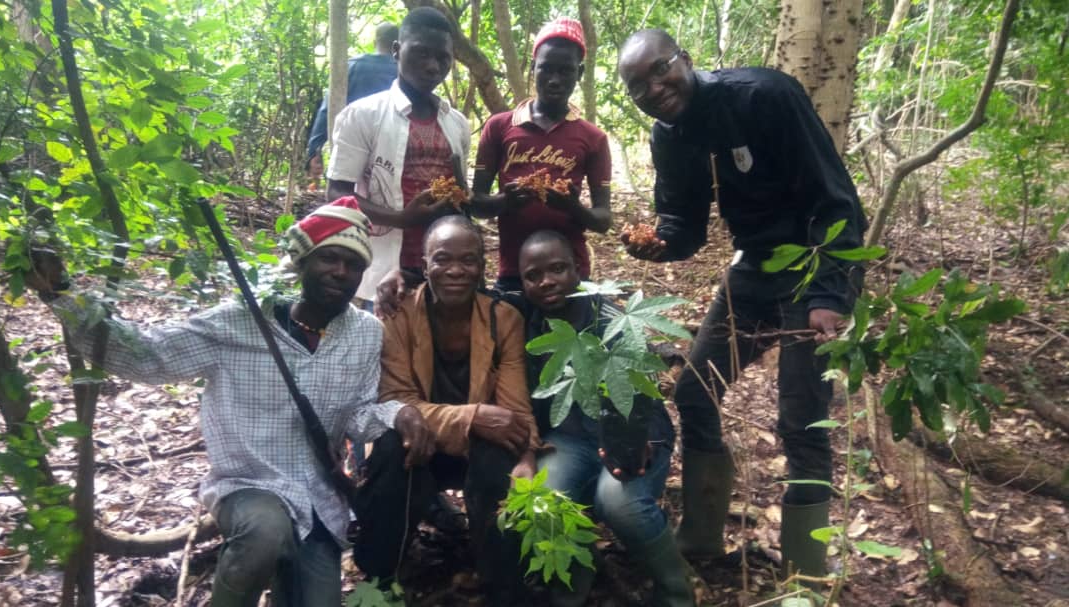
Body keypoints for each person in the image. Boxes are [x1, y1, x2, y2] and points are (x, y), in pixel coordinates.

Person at [24, 197, 434, 606]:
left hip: (320, 498)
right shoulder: (239, 320)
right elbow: (147, 353)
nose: (341, 272)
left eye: (353, 264)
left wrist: (399, 413)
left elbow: (359, 412)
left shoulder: (365, 333)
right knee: (264, 533)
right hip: (248, 482)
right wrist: (63, 296)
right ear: (303, 262)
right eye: (329, 258)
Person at [617, 30, 867, 578]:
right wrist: (658, 244)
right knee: (695, 390)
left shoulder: (765, 96)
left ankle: (806, 574)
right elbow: (684, 225)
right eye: (639, 87)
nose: (656, 88)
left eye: (662, 70)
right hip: (754, 268)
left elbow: (838, 201)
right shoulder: (670, 135)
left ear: (686, 58)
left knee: (802, 420)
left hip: (813, 264)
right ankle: (702, 536)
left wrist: (830, 293)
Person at [352, 215, 540, 603]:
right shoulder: (398, 313)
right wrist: (472, 416)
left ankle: (503, 585)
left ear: (482, 268)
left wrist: (528, 454)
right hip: (422, 446)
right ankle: (379, 577)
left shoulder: (503, 318)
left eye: (468, 260)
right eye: (442, 259)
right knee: (391, 447)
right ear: (425, 267)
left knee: (498, 456)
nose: (456, 270)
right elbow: (395, 397)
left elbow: (513, 410)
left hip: (477, 449)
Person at [518, 230, 693, 606]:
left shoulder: (610, 317)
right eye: (533, 275)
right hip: (570, 437)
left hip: (634, 432)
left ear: (578, 269)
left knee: (618, 502)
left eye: (558, 269)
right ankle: (571, 585)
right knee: (545, 497)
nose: (546, 281)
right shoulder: (526, 320)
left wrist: (635, 440)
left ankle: (675, 592)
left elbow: (641, 391)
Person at [327, 6, 470, 305]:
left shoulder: (456, 123)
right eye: (421, 53)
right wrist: (401, 218)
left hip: (441, 275)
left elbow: (460, 194)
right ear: (396, 50)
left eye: (443, 58)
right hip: (380, 271)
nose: (433, 66)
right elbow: (337, 192)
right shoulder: (363, 115)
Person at [470, 17, 612, 293]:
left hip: (571, 274)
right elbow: (475, 203)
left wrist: (572, 206)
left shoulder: (593, 138)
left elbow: (603, 220)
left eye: (566, 71)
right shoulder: (499, 127)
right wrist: (504, 201)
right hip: (514, 272)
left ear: (580, 73)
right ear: (534, 68)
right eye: (546, 69)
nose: (555, 80)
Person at [306, 23, 399, 181]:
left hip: (353, 144)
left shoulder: (351, 66)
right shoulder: (406, 71)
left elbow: (327, 109)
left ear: (375, 42)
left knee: (346, 194)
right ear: (398, 44)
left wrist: (314, 150)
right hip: (393, 146)